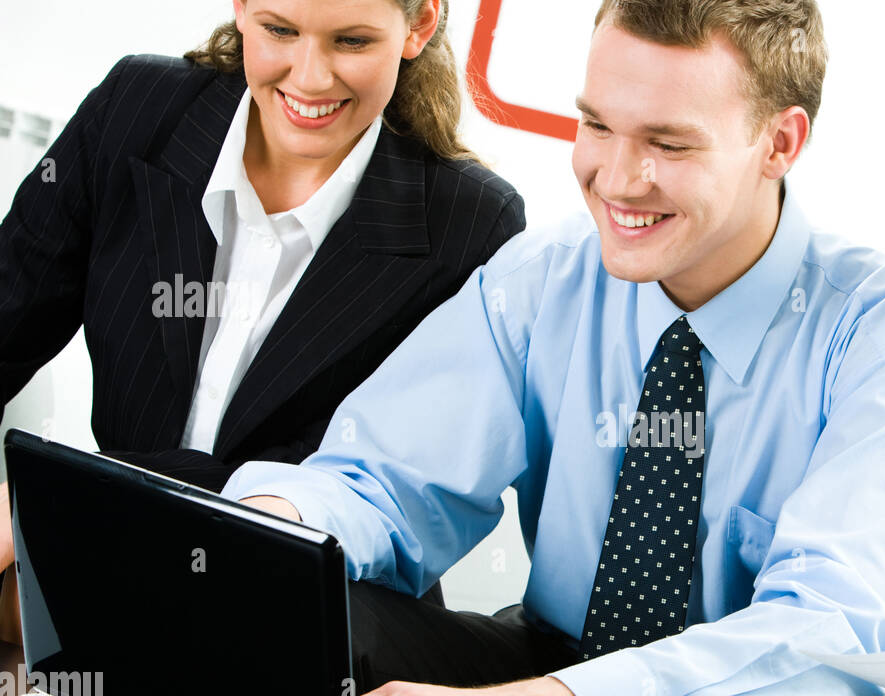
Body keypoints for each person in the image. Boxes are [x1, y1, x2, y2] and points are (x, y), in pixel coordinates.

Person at [225, 0, 885, 696]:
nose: (617, 177)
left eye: (668, 143)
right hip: (550, 680)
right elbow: (383, 480)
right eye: (596, 125)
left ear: (781, 143)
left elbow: (832, 625)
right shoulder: (547, 276)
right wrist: (260, 531)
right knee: (317, 617)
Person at [0, 0, 525, 638]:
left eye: (351, 42)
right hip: (97, 589)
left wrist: (58, 500)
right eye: (280, 30)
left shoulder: (471, 224)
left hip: (298, 625)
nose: (309, 78)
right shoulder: (137, 108)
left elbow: (341, 481)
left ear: (418, 27)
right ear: (243, 8)